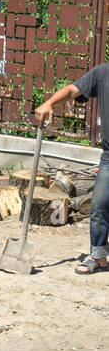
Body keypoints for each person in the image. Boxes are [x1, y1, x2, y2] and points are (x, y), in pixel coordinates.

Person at [35, 63, 109, 274]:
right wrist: (49, 103)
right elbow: (72, 90)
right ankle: (99, 258)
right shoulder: (103, 73)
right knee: (99, 205)